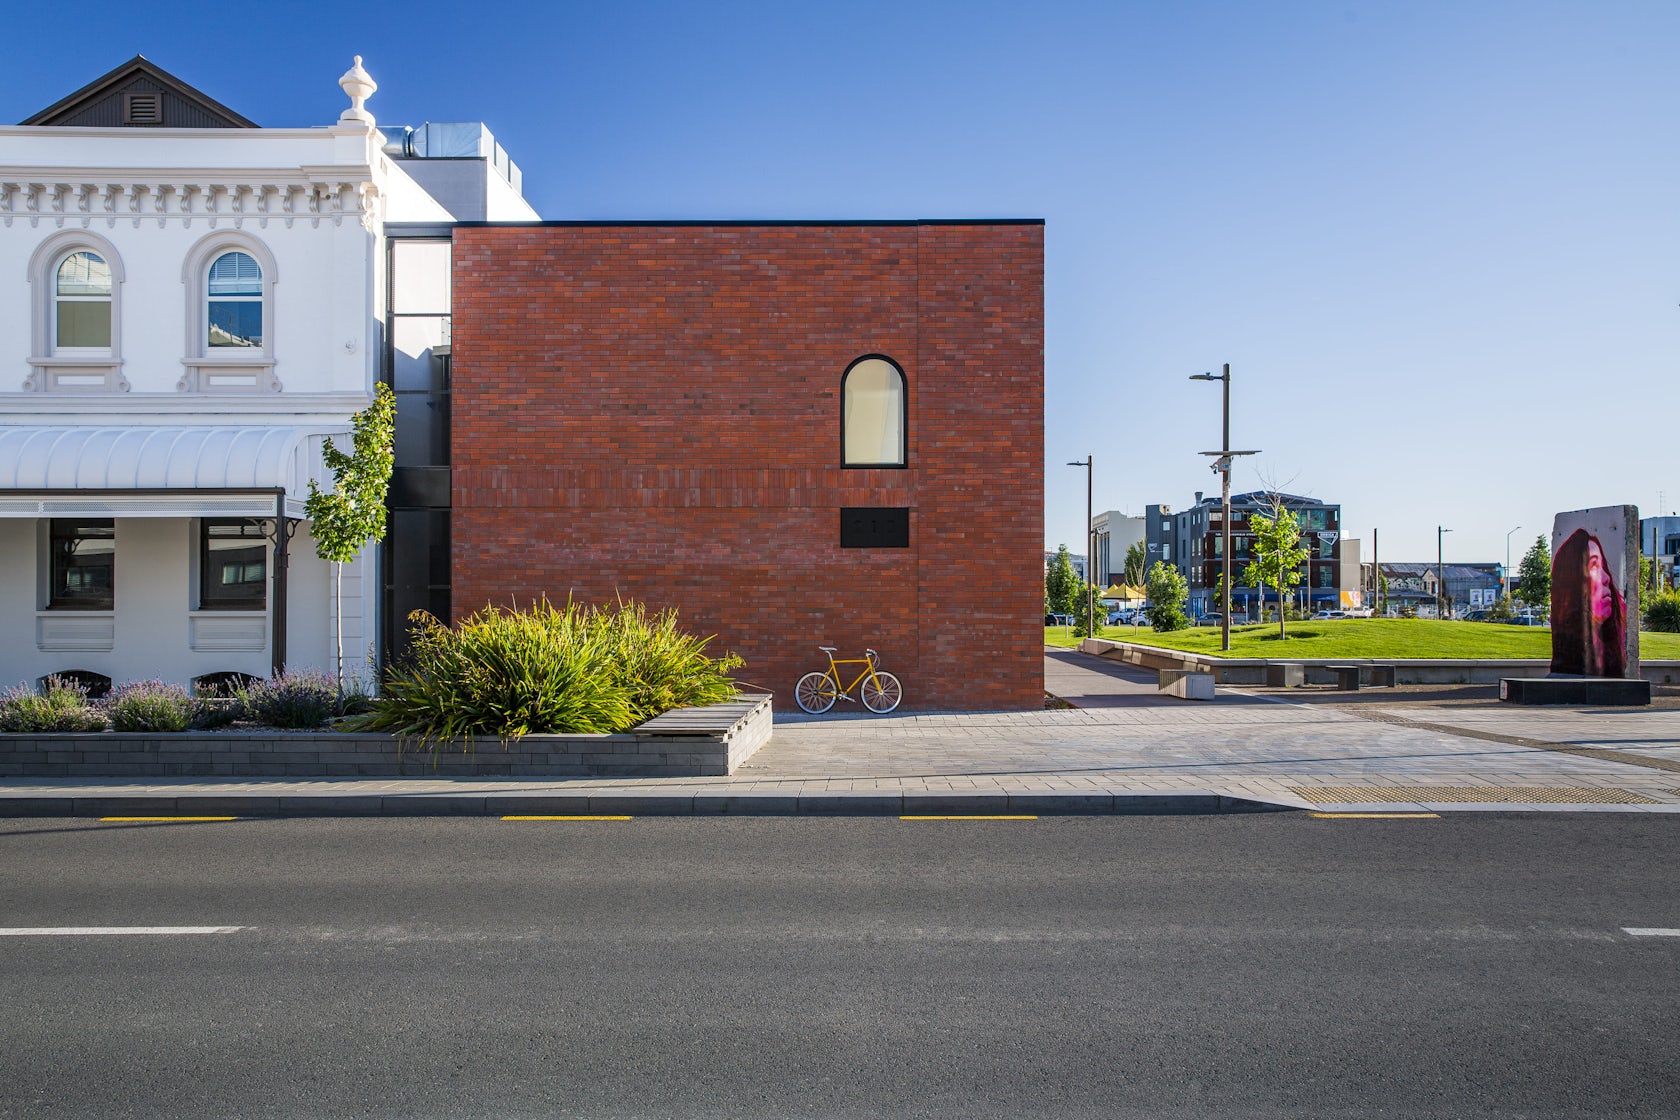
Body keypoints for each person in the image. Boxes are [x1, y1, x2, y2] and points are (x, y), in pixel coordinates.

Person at [1550, 528, 1626, 677]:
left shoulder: (1612, 653)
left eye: (1603, 567)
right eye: (1594, 566)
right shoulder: (1573, 658)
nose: (1606, 578)